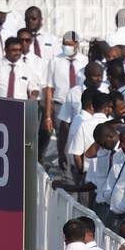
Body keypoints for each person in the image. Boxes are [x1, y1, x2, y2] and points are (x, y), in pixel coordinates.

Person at [44, 32, 89, 167]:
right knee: (62, 136)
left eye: (69, 44)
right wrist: (47, 115)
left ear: (76, 44)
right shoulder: (55, 61)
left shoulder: (84, 61)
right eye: (64, 44)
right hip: (60, 104)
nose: (66, 47)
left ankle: (79, 166)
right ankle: (64, 165)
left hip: (79, 104)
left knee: (79, 135)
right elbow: (49, 88)